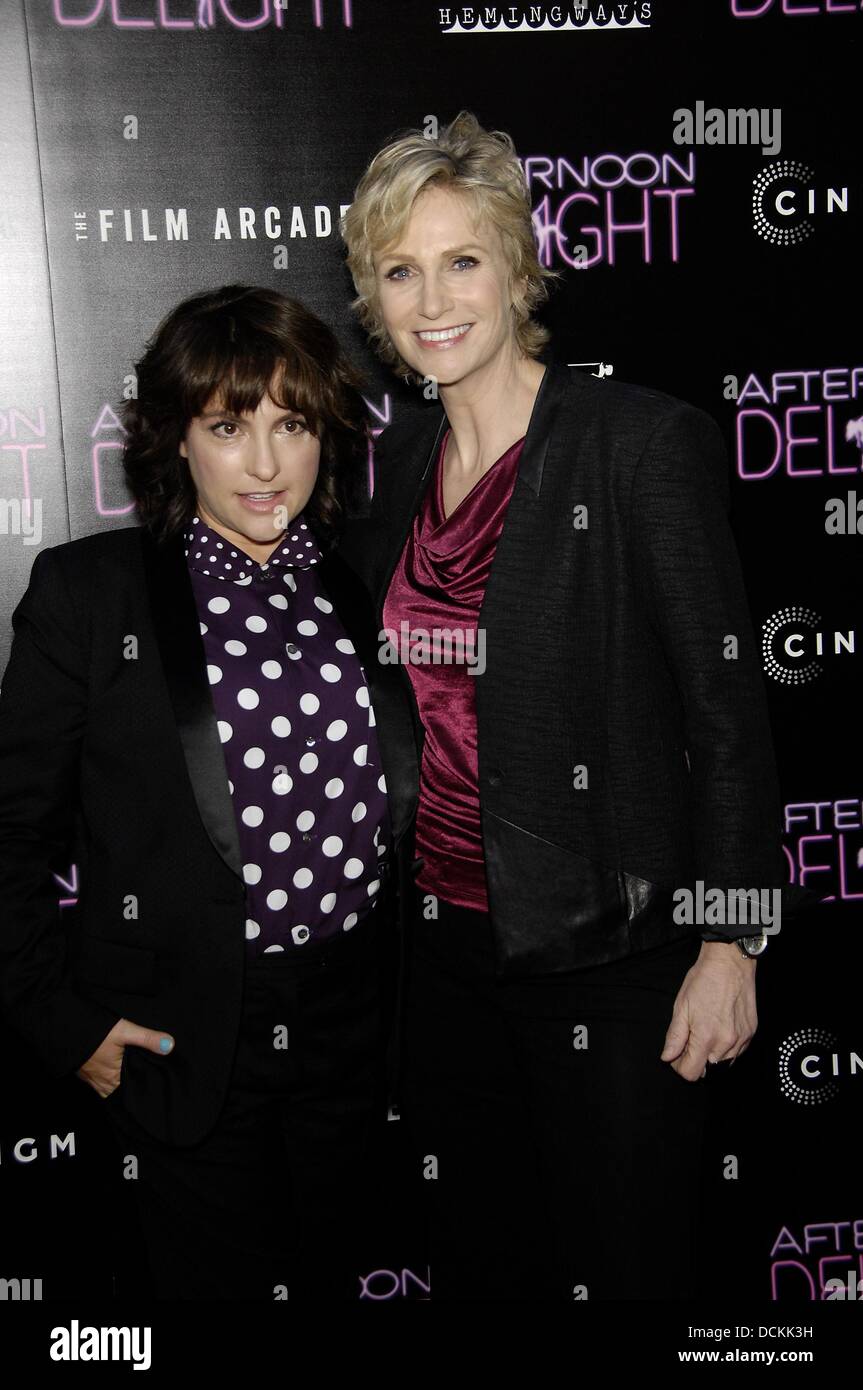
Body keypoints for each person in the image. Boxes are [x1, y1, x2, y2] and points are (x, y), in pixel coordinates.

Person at [338, 111, 818, 1300]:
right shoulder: (393, 470)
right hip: (444, 961)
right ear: (373, 296)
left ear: (514, 267)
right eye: (401, 270)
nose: (432, 298)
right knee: (486, 1269)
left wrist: (730, 937)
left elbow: (725, 705)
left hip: (612, 957)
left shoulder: (635, 444)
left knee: (630, 1269)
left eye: (461, 260)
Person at [0, 284, 419, 1301]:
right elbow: (10, 836)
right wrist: (68, 1026)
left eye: (293, 422)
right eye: (229, 426)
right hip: (178, 1039)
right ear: (175, 440)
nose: (267, 464)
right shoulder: (90, 596)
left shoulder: (368, 578)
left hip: (354, 1038)